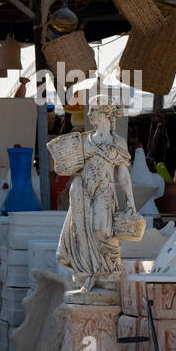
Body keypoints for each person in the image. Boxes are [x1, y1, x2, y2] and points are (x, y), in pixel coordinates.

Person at [54, 96, 144, 294]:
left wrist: (130, 202)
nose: (89, 114)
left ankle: (107, 270)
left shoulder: (117, 142)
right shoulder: (84, 141)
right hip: (83, 191)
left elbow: (123, 174)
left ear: (104, 113)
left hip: (104, 190)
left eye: (93, 110)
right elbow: (70, 166)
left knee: (101, 230)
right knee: (82, 233)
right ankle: (88, 274)